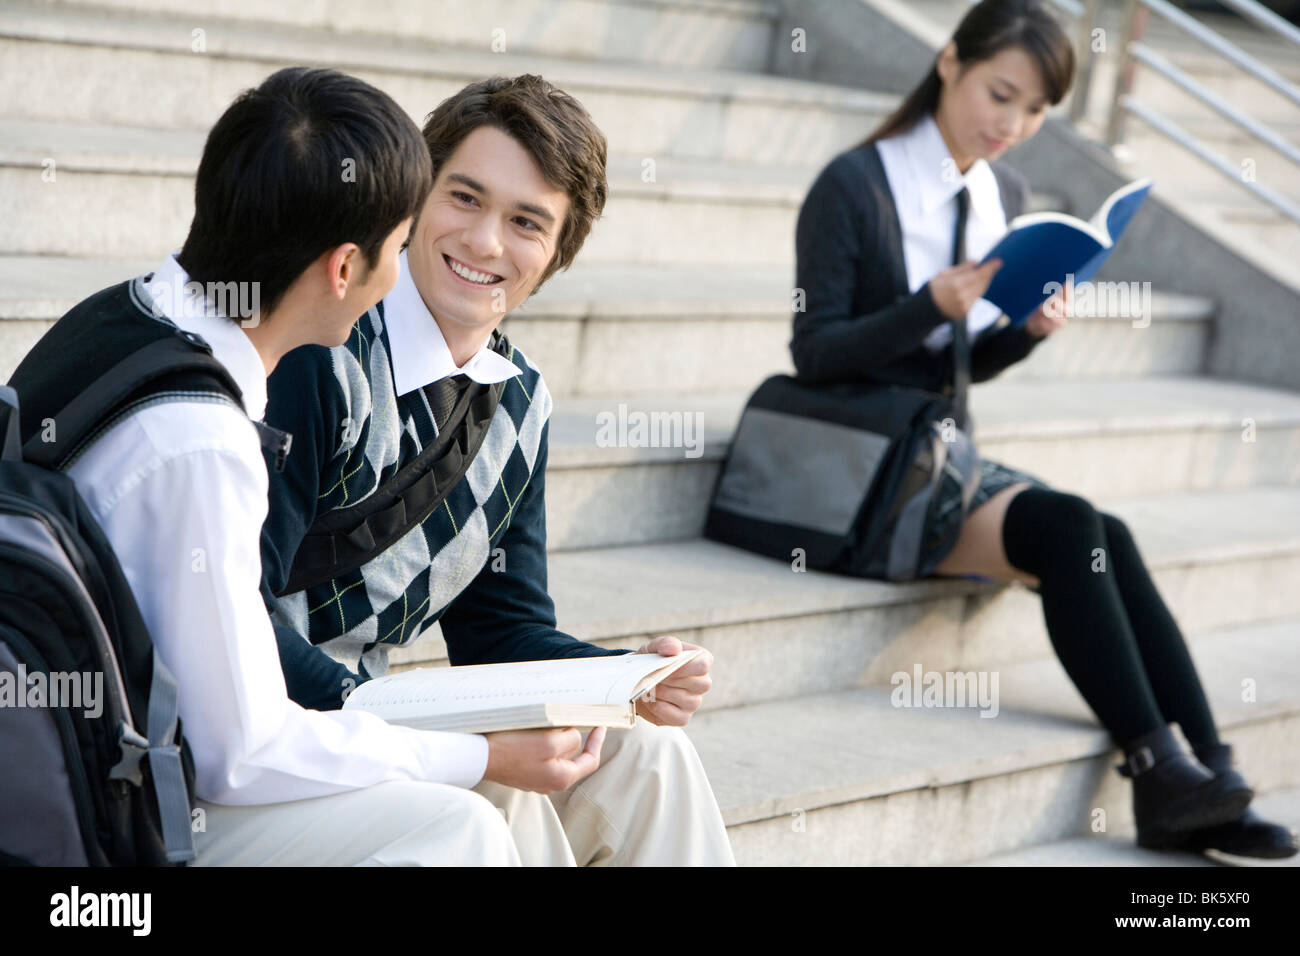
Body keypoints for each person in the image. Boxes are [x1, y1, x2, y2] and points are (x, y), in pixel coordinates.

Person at [8, 66, 575, 866]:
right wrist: (474, 756)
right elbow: (243, 755)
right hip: (121, 812)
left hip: (97, 748)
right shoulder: (201, 443)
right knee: (462, 823)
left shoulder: (122, 314)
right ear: (345, 270)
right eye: (400, 237)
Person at [788, 0, 1295, 858]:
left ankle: (1205, 771)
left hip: (934, 451)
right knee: (1067, 530)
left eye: (1033, 111)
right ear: (948, 62)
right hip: (860, 465)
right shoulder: (856, 184)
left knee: (1108, 533)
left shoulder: (1004, 194)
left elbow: (959, 366)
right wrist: (927, 307)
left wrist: (1018, 334)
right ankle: (1160, 771)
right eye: (1000, 94)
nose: (1012, 125)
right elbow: (814, 354)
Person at [258, 74, 735, 866]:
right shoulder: (322, 348)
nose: (486, 242)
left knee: (647, 751)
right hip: (288, 718)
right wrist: (386, 715)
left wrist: (624, 678)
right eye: (466, 198)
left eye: (525, 222)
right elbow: (234, 605)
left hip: (382, 712)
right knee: (505, 786)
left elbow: (499, 630)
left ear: (554, 255)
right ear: (414, 197)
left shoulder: (520, 403)